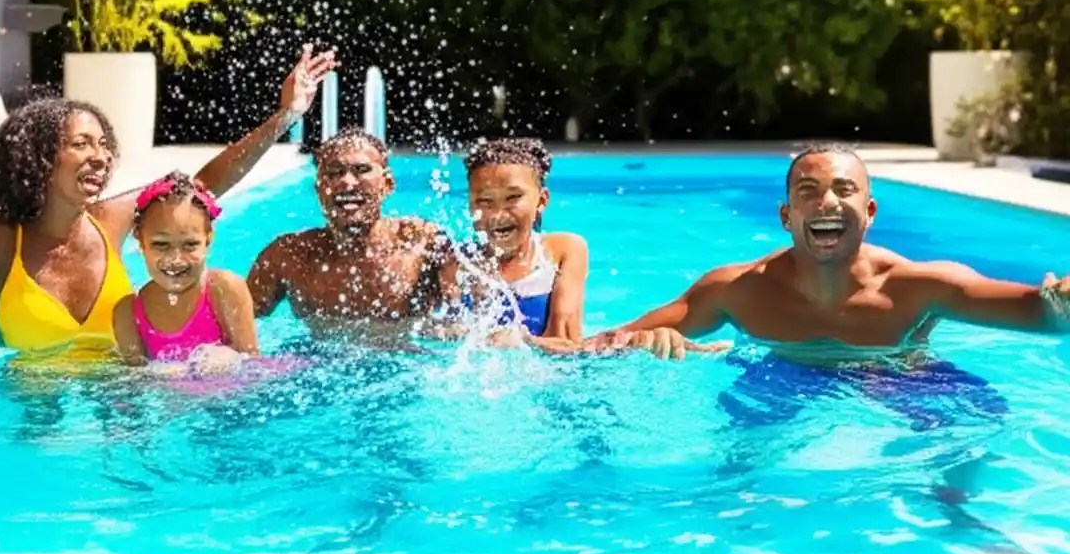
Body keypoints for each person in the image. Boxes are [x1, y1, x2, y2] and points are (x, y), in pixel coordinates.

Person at [0, 45, 339, 353]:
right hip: (33, 422)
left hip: (120, 409)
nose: (100, 158)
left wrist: (284, 117)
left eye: (104, 145)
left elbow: (202, 184)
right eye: (81, 145)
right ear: (38, 158)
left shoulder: (112, 220)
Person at [585, 142, 1070, 358]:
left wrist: (1059, 305)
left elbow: (1038, 315)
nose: (827, 203)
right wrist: (645, 343)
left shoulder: (920, 287)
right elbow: (605, 343)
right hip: (779, 380)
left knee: (974, 425)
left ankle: (960, 525)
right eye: (808, 191)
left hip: (899, 382)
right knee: (738, 467)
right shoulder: (736, 291)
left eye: (844, 189)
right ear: (785, 216)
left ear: (872, 211)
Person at [245, 127, 452, 346]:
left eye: (361, 169)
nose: (347, 183)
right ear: (319, 188)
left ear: (387, 184)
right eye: (334, 173)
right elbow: (234, 319)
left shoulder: (421, 243)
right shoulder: (289, 256)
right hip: (315, 366)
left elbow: (469, 314)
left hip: (407, 363)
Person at [441, 138, 589, 347]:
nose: (498, 215)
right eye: (484, 201)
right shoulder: (456, 262)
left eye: (513, 197)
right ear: (470, 205)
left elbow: (568, 343)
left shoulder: (562, 252)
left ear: (542, 200)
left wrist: (521, 342)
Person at [111, 171, 257, 369]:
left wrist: (230, 359)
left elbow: (253, 364)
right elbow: (131, 388)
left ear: (208, 239)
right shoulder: (127, 313)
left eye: (189, 245)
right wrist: (158, 376)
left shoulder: (223, 289)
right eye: (161, 245)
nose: (175, 259)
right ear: (140, 240)